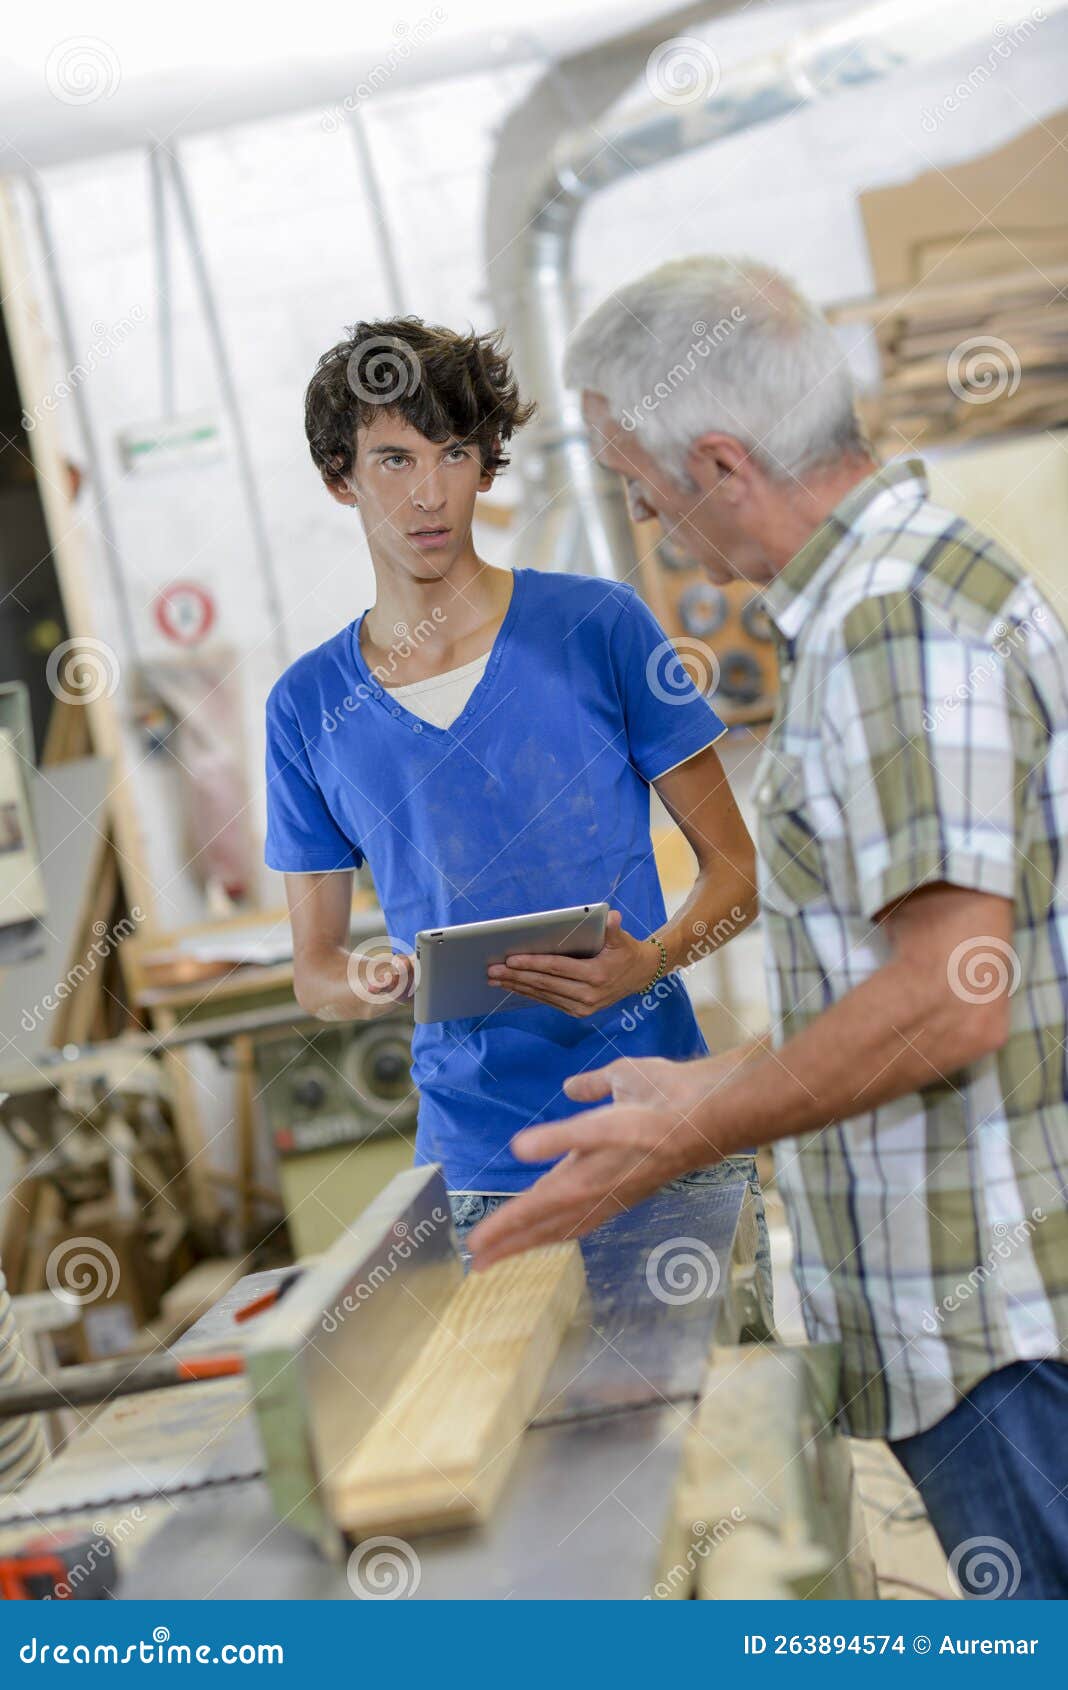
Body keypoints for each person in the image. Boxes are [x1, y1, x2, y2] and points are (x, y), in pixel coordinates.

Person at [468, 256, 1068, 1599]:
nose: (653, 526)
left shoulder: (896, 621)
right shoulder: (889, 600)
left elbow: (953, 994)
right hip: (979, 1316)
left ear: (725, 464)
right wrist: (710, 1076)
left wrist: (694, 1127)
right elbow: (919, 988)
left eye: (646, 490)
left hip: (1003, 1326)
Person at [264, 316, 771, 1301]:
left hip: (657, 1127)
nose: (427, 492)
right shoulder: (307, 706)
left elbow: (741, 878)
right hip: (479, 1172)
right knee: (533, 1444)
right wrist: (389, 979)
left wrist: (650, 960)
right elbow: (316, 972)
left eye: (454, 454)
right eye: (394, 458)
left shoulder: (599, 626)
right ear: (340, 478)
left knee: (724, 1431)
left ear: (486, 466)